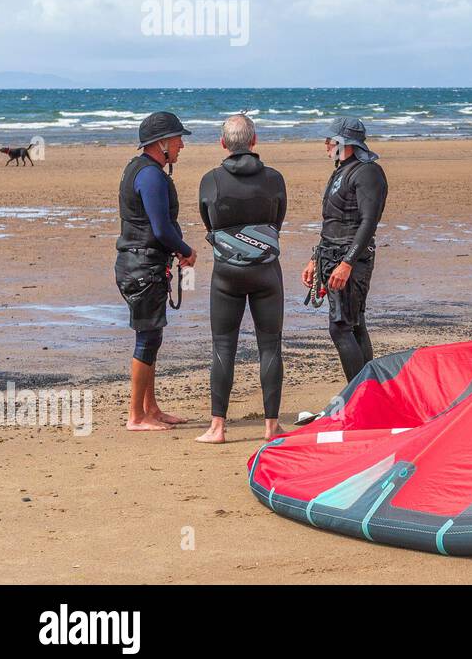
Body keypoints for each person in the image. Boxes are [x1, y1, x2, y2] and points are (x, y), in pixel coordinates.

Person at [196, 114, 286, 444]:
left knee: (223, 346)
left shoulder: (210, 179)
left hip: (227, 273)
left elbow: (208, 221)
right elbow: (278, 219)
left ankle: (217, 427)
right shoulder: (274, 178)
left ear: (223, 143)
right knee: (270, 346)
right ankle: (271, 426)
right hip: (266, 271)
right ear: (254, 140)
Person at [115, 112, 196, 431]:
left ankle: (151, 408)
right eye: (177, 140)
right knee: (147, 337)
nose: (181, 146)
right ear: (161, 143)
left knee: (152, 336)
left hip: (140, 264)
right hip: (141, 268)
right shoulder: (150, 176)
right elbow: (161, 229)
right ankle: (136, 416)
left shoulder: (140, 169)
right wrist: (186, 250)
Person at [303, 118, 388, 382]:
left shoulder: (368, 173)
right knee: (354, 323)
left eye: (331, 140)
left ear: (345, 143)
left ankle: (358, 393)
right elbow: (333, 221)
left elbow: (368, 222)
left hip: (351, 260)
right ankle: (368, 391)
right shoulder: (342, 170)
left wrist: (348, 263)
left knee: (341, 327)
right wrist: (315, 258)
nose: (326, 144)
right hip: (331, 255)